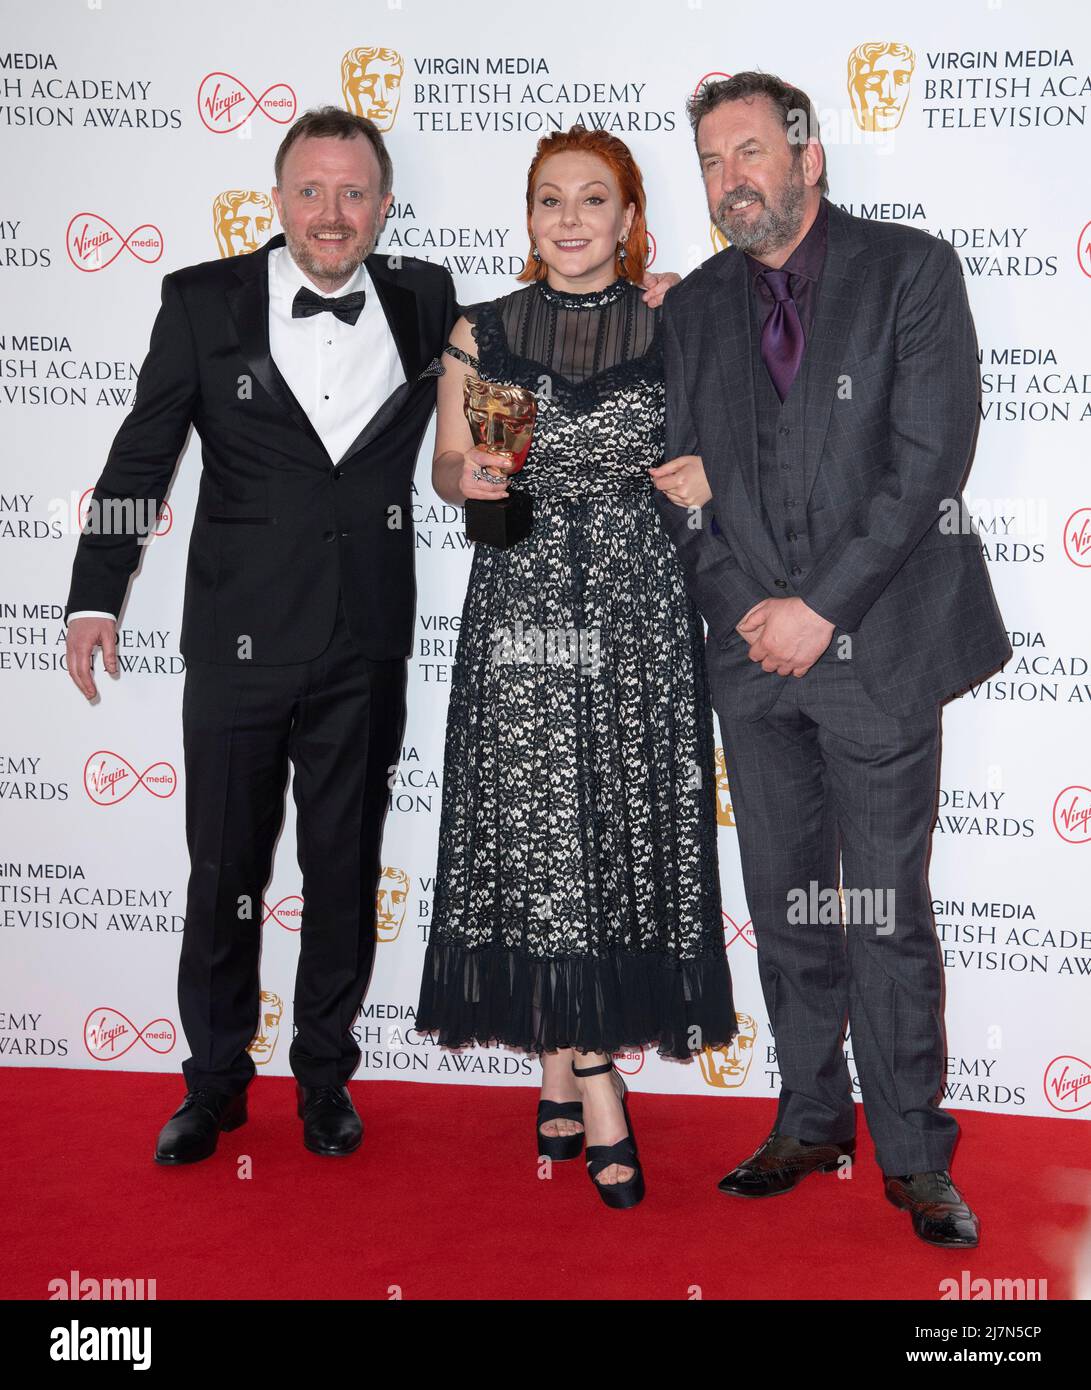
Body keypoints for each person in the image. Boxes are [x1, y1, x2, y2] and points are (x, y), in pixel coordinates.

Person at [651, 72, 1011, 1247]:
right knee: (784, 903)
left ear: (807, 157)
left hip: (880, 648)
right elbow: (678, 484)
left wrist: (820, 608)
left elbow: (924, 465)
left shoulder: (909, 271)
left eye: (748, 151)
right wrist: (755, 607)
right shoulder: (694, 305)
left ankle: (913, 1155)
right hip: (750, 655)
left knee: (881, 910)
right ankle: (809, 1118)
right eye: (710, 160)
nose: (729, 179)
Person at [64, 106, 458, 1164]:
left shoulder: (427, 300)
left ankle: (325, 1079)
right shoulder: (202, 301)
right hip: (237, 639)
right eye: (311, 191)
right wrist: (95, 595)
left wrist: (663, 294)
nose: (332, 214)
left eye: (354, 193)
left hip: (364, 641)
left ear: (382, 204)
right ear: (276, 199)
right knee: (223, 869)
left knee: (341, 868)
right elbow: (139, 458)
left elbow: (535, 334)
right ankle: (214, 1084)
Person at [415, 126, 737, 1210]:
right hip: (522, 604)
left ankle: (557, 1061)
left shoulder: (673, 322)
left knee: (613, 825)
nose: (567, 219)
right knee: (544, 829)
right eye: (548, 200)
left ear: (627, 214)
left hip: (640, 609)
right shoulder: (481, 330)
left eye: (590, 200)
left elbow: (719, 447)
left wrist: (705, 481)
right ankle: (594, 1079)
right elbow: (447, 468)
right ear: (528, 219)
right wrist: (479, 480)